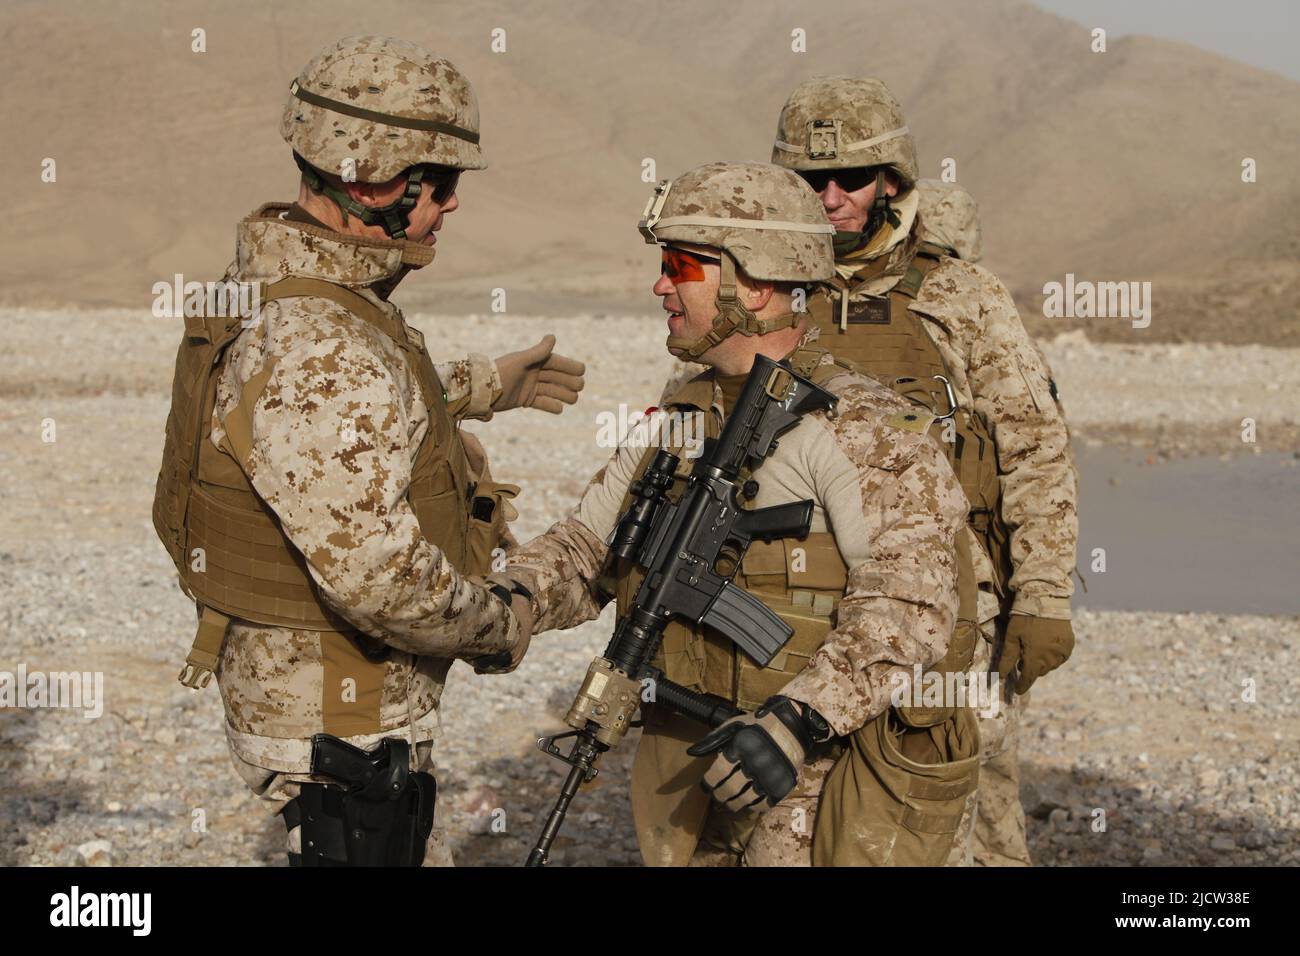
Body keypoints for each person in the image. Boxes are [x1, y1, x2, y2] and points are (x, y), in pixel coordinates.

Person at [152, 35, 585, 866]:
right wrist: (501, 620)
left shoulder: (283, 288)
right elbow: (380, 577)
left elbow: (319, 423)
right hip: (337, 716)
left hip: (307, 699)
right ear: (374, 180)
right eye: (442, 181)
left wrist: (483, 384)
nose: (451, 205)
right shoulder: (324, 342)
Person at [503, 162, 973, 866]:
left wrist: (797, 719)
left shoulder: (863, 428)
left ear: (754, 283)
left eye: (680, 265)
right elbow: (585, 547)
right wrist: (503, 604)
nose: (661, 284)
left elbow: (910, 607)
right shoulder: (683, 413)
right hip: (690, 764)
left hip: (815, 780)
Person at [771, 75, 1079, 865]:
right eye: (811, 181)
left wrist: (1041, 596)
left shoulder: (961, 296)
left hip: (949, 611)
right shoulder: (773, 295)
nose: (831, 197)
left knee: (963, 811)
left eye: (850, 179)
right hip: (800, 601)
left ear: (891, 184)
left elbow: (1034, 449)